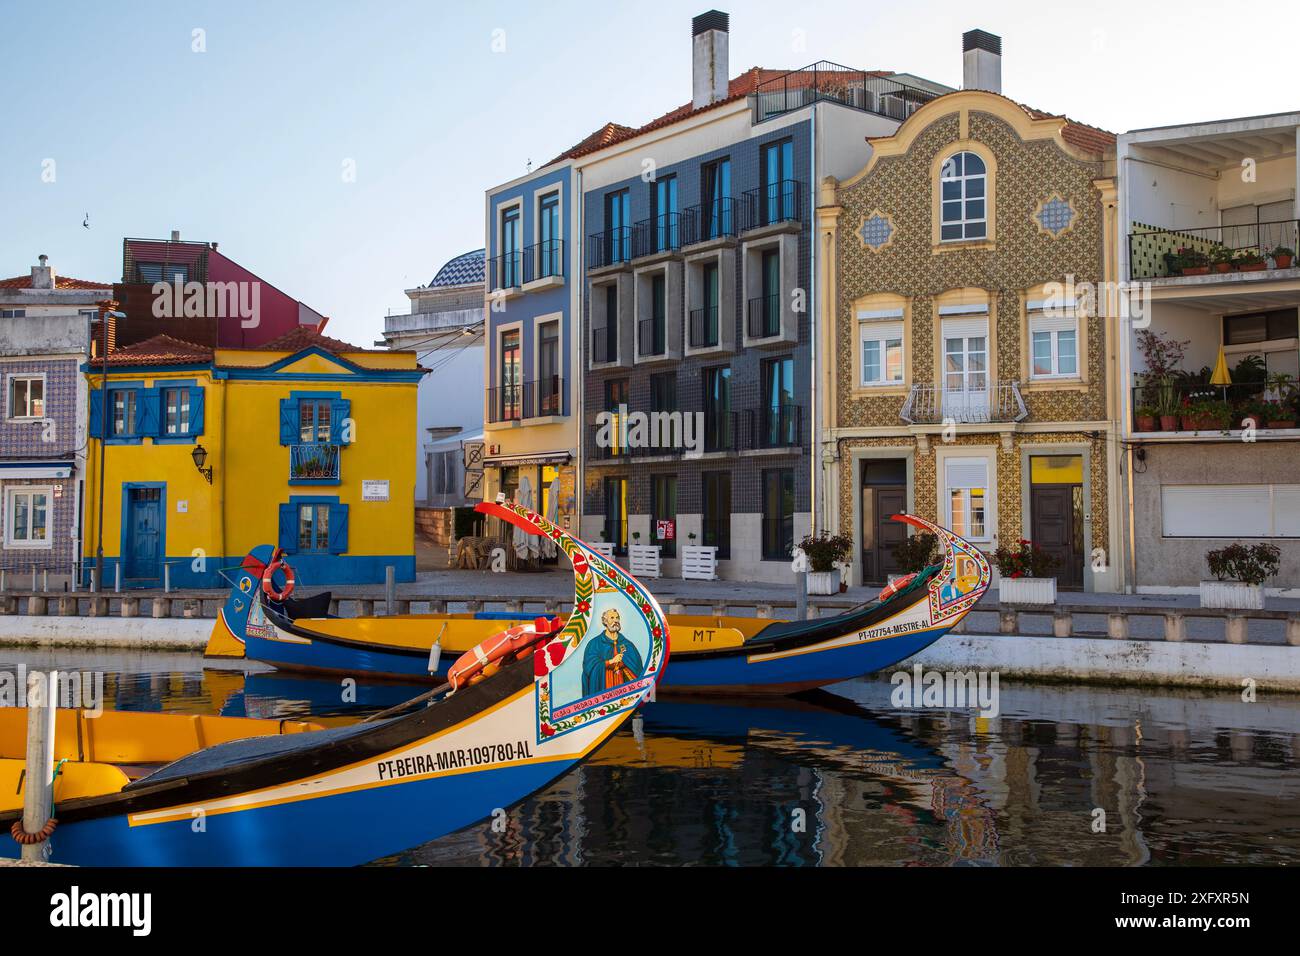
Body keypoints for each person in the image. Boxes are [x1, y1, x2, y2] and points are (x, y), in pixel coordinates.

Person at [581, 608, 643, 696]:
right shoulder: (595, 643)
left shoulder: (627, 644)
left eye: (617, 618)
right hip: (604, 686)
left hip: (623, 688)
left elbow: (637, 667)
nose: (616, 621)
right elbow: (589, 666)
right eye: (612, 618)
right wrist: (610, 662)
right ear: (605, 621)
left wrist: (624, 661)